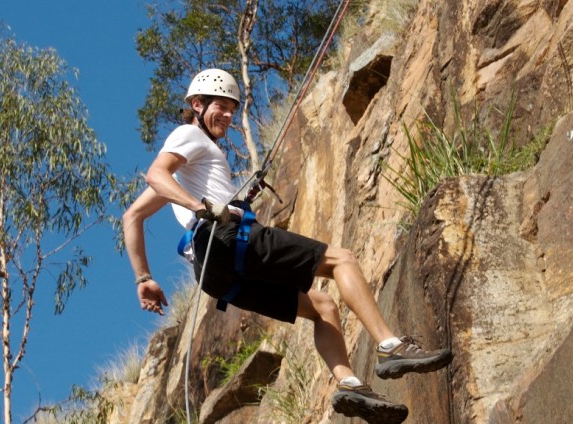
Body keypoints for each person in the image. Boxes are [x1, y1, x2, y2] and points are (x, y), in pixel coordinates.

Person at [122, 69, 452, 423]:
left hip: (216, 275)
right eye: (221, 106)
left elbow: (132, 217)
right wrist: (203, 206)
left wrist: (144, 279)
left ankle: (350, 384)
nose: (229, 116)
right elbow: (155, 173)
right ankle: (390, 347)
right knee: (342, 260)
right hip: (226, 239)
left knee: (323, 306)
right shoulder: (188, 135)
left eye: (234, 109)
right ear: (197, 104)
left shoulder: (196, 161)